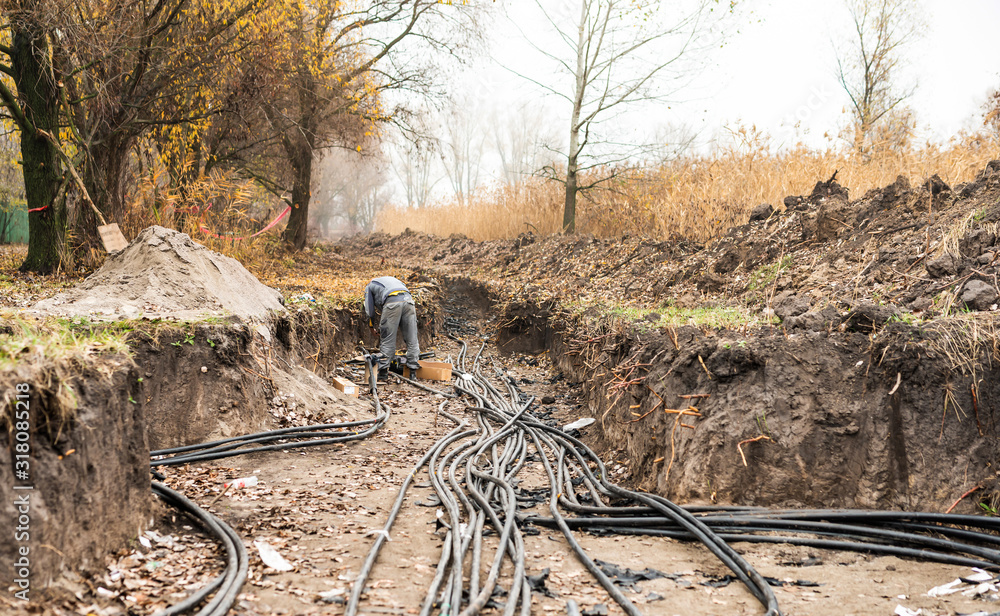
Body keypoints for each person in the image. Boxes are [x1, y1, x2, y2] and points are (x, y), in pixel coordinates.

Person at [363, 276, 421, 380]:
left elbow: (370, 310)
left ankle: (383, 373)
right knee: (412, 338)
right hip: (409, 302)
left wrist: (371, 328)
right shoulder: (394, 281)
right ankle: (413, 372)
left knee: (387, 339)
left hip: (392, 303)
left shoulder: (370, 286)